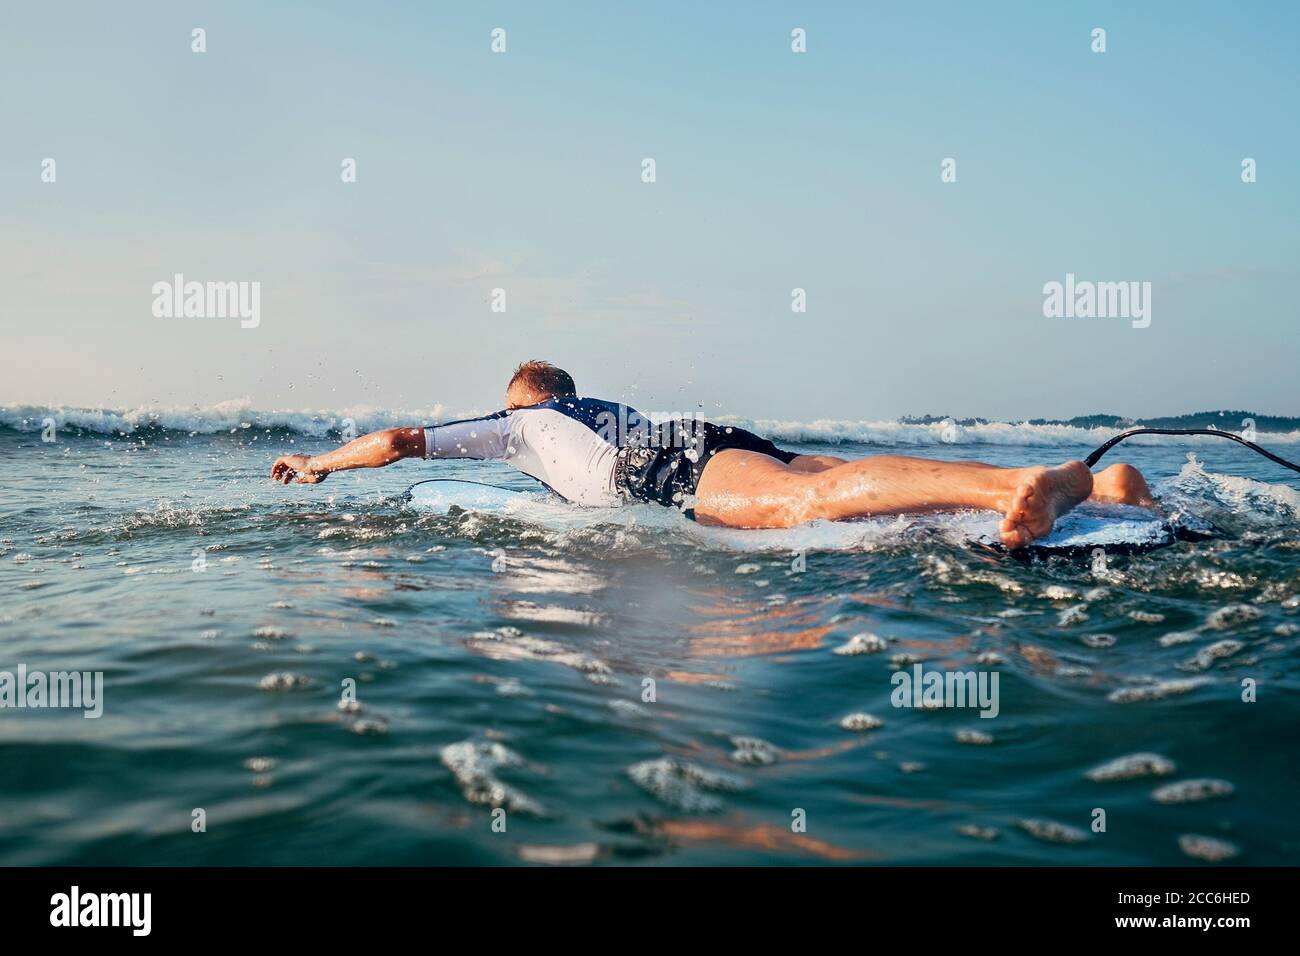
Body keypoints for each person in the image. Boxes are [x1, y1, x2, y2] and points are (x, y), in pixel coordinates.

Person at [271, 360, 1155, 548]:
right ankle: (1110, 487)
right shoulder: (595, 407)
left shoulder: (524, 421)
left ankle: (1023, 484)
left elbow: (398, 442)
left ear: (520, 401)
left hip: (660, 467)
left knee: (809, 505)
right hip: (697, 437)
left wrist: (319, 466)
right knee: (826, 481)